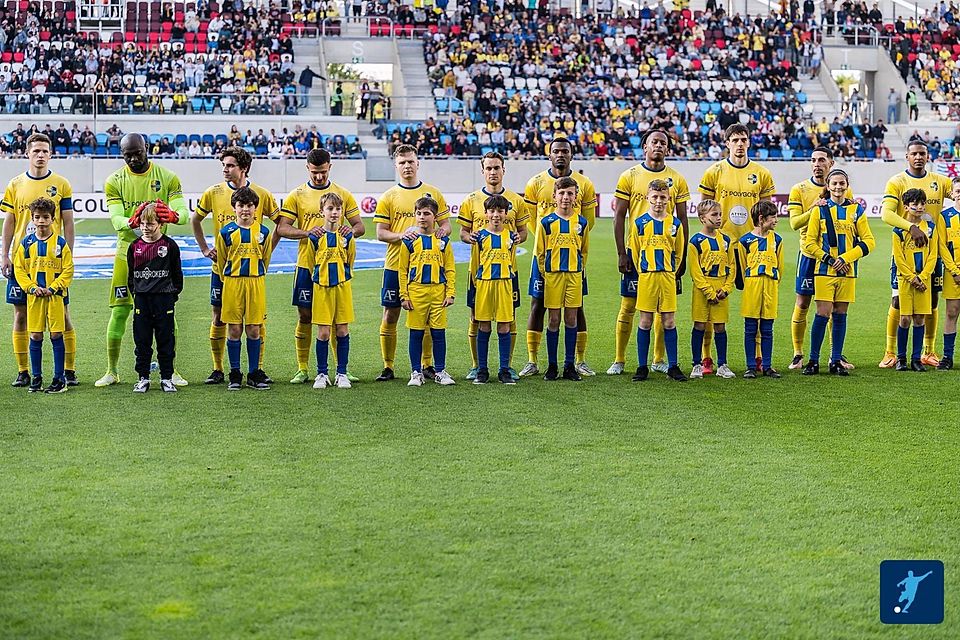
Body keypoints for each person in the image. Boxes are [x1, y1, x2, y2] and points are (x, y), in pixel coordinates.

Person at [96, 133, 189, 387]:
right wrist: (131, 221)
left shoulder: (168, 177)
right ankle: (112, 371)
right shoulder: (114, 180)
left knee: (166, 314)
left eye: (138, 153)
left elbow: (183, 215)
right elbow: (116, 220)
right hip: (128, 252)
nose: (133, 158)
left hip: (160, 255)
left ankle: (173, 371)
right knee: (119, 311)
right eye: (128, 155)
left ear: (146, 148)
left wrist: (171, 215)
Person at [193, 147, 280, 385]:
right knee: (220, 318)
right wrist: (204, 248)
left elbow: (280, 224)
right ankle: (219, 368)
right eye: (223, 165)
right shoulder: (213, 192)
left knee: (254, 323)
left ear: (244, 168)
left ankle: (257, 370)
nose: (225, 169)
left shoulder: (260, 194)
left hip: (251, 273)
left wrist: (265, 252)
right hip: (223, 272)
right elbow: (195, 220)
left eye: (230, 165)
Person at [276, 148, 364, 383]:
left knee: (337, 320)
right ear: (307, 168)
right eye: (315, 172)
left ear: (330, 167)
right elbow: (282, 228)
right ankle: (303, 368)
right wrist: (307, 232)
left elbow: (359, 226)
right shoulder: (297, 194)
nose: (318, 177)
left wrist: (350, 230)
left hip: (335, 267)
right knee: (306, 316)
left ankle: (340, 369)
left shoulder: (342, 194)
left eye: (323, 172)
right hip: (307, 265)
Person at [609, 129, 690, 376]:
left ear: (668, 148)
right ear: (645, 146)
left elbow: (683, 218)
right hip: (637, 253)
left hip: (666, 256)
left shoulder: (677, 178)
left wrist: (683, 256)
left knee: (664, 311)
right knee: (629, 306)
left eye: (663, 143)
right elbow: (620, 216)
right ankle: (620, 359)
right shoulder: (629, 176)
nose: (658, 146)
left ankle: (658, 359)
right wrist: (622, 252)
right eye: (654, 142)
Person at [1, 133, 77, 387]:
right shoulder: (14, 184)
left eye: (45, 151)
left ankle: (68, 370)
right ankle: (24, 371)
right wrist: (5, 255)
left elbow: (67, 222)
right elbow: (9, 222)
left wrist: (68, 255)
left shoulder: (62, 184)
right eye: (36, 151)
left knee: (63, 316)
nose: (40, 155)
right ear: (27, 153)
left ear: (51, 154)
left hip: (53, 263)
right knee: (20, 316)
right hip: (24, 262)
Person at [699, 124, 775, 372]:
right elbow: (704, 209)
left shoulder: (761, 173)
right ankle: (708, 358)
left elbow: (767, 213)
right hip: (721, 246)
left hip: (752, 248)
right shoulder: (714, 171)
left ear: (749, 142)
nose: (740, 144)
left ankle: (758, 358)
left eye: (744, 139)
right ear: (727, 143)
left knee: (758, 306)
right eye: (735, 140)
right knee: (713, 303)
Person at [373, 144, 451, 382]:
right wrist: (401, 236)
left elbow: (447, 226)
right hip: (396, 266)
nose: (407, 166)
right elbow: (380, 233)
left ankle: (427, 365)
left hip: (428, 267)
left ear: (418, 163)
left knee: (427, 317)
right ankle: (388, 366)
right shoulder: (389, 196)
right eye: (402, 163)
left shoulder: (433, 193)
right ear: (396, 166)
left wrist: (440, 233)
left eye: (411, 162)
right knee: (391, 314)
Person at [521, 137, 597, 378]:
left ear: (572, 155)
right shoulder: (536, 182)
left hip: (573, 260)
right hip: (544, 258)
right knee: (539, 306)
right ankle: (533, 360)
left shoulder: (584, 183)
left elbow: (588, 221)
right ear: (549, 155)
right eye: (556, 151)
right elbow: (531, 219)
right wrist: (549, 241)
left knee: (576, 308)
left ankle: (578, 360)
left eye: (565, 151)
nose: (560, 154)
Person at [878, 142, 953, 368]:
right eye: (914, 154)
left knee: (931, 302)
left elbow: (957, 192)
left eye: (922, 153)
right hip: (905, 253)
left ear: (928, 156)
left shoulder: (940, 181)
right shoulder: (897, 181)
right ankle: (891, 352)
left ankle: (928, 352)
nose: (918, 157)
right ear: (907, 157)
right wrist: (911, 227)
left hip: (932, 252)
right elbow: (886, 214)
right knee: (898, 302)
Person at [457, 152, 529, 380]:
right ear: (483, 171)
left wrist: (519, 238)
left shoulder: (516, 200)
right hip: (479, 271)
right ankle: (477, 365)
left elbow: (524, 231)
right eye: (489, 168)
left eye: (496, 167)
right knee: (477, 318)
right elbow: (463, 233)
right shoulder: (471, 200)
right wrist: (472, 237)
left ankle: (506, 366)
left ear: (503, 169)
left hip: (509, 272)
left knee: (509, 318)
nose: (493, 172)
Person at [801, 169, 875, 376]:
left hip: (847, 271)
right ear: (828, 185)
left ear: (847, 185)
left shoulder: (856, 210)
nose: (838, 187)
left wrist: (845, 258)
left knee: (840, 315)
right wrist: (831, 259)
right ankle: (813, 361)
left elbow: (869, 241)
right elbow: (809, 242)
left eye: (842, 183)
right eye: (834, 183)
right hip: (824, 271)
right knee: (822, 314)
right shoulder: (820, 210)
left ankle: (835, 361)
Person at [787, 146, 854, 370]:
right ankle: (798, 353)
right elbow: (794, 223)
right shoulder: (799, 189)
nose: (817, 164)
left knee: (834, 307)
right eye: (813, 159)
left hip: (836, 259)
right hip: (809, 255)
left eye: (822, 160)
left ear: (831, 163)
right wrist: (814, 208)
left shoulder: (843, 189)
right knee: (803, 302)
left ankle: (835, 355)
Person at [12, 197, 73, 394]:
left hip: (54, 297)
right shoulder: (26, 243)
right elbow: (19, 269)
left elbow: (68, 269)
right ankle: (36, 377)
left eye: (45, 217)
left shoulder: (60, 244)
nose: (41, 221)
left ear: (53, 219)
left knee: (56, 334)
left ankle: (59, 378)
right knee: (36, 335)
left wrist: (54, 287)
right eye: (37, 217)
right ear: (31, 218)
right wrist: (30, 287)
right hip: (34, 297)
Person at [627, 179, 687, 382]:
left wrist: (671, 271)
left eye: (663, 197)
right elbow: (635, 253)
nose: (659, 201)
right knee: (645, 320)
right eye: (655, 197)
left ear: (669, 198)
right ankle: (642, 366)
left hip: (668, 277)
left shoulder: (675, 224)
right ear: (647, 198)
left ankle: (673, 366)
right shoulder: (640, 223)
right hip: (648, 277)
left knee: (669, 321)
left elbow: (679, 252)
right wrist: (644, 271)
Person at [215, 186, 274, 391]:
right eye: (241, 205)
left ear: (256, 208)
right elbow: (222, 261)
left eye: (249, 205)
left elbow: (265, 259)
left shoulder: (264, 232)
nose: (245, 210)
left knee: (254, 329)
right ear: (234, 208)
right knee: (234, 328)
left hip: (255, 283)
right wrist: (229, 280)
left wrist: (255, 275)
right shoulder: (226, 232)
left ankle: (253, 373)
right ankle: (234, 372)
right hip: (232, 283)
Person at [534, 176, 589, 382]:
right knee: (554, 319)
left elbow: (584, 251)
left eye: (570, 193)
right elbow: (540, 252)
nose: (566, 197)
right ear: (555, 196)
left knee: (572, 319)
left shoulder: (581, 222)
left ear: (575, 197)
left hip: (574, 275)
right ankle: (552, 365)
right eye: (562, 193)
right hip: (553, 276)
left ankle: (569, 365)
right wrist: (546, 272)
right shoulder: (546, 222)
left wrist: (578, 269)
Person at [398, 197, 457, 387]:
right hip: (416, 292)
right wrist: (404, 295)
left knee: (438, 333)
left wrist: (450, 292)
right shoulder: (409, 242)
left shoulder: (443, 241)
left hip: (438, 293)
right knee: (416, 333)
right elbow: (402, 270)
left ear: (434, 216)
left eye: (427, 214)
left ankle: (440, 371)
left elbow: (450, 269)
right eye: (419, 213)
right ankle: (416, 372)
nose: (422, 217)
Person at [127, 203, 184, 393]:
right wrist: (137, 294)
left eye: (150, 224)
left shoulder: (169, 246)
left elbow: (177, 275)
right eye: (142, 224)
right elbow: (131, 276)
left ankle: (166, 378)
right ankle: (143, 378)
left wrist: (171, 295)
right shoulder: (134, 247)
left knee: (165, 340)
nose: (145, 228)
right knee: (142, 341)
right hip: (142, 301)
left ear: (160, 224)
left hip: (164, 300)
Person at [308, 192, 355, 390]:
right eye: (330, 208)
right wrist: (321, 278)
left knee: (342, 329)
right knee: (324, 332)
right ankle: (322, 373)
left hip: (342, 288)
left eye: (337, 209)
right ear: (322, 211)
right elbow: (311, 263)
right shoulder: (315, 236)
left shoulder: (347, 235)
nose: (334, 212)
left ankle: (342, 373)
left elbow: (350, 259)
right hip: (322, 289)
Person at [473, 194, 520, 385]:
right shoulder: (480, 236)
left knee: (504, 326)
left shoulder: (511, 236)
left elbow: (512, 261)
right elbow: (476, 262)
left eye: (500, 211)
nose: (496, 215)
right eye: (492, 211)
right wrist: (476, 285)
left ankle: (504, 370)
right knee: (483, 325)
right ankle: (482, 370)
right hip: (484, 284)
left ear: (506, 213)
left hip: (504, 284)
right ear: (485, 213)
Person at [687, 199, 736, 380]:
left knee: (720, 327)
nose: (718, 218)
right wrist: (708, 291)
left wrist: (726, 289)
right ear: (702, 218)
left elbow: (732, 267)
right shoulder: (696, 242)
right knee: (699, 325)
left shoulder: (726, 240)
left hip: (721, 287)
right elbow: (695, 272)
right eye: (714, 215)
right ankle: (696, 364)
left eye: (720, 214)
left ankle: (722, 364)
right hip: (702, 290)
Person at [892, 188, 939, 371]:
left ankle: (916, 359)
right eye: (915, 204)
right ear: (906, 206)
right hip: (906, 280)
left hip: (924, 280)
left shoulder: (930, 228)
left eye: (922, 203)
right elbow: (899, 259)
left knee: (920, 319)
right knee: (904, 319)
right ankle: (901, 358)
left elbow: (933, 255)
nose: (919, 207)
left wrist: (924, 276)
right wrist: (912, 278)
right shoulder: (899, 231)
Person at [736, 201, 783, 379]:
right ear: (761, 219)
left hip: (770, 287)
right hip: (752, 287)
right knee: (750, 328)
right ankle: (750, 366)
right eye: (773, 217)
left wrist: (773, 284)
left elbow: (780, 267)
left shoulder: (777, 240)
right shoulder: (745, 241)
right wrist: (751, 283)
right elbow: (742, 267)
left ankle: (767, 365)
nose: (776, 220)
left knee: (767, 329)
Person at [935, 178, 960, 369]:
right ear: (952, 193)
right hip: (954, 274)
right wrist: (953, 270)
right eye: (958, 190)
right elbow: (942, 246)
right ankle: (947, 357)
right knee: (951, 312)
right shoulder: (945, 216)